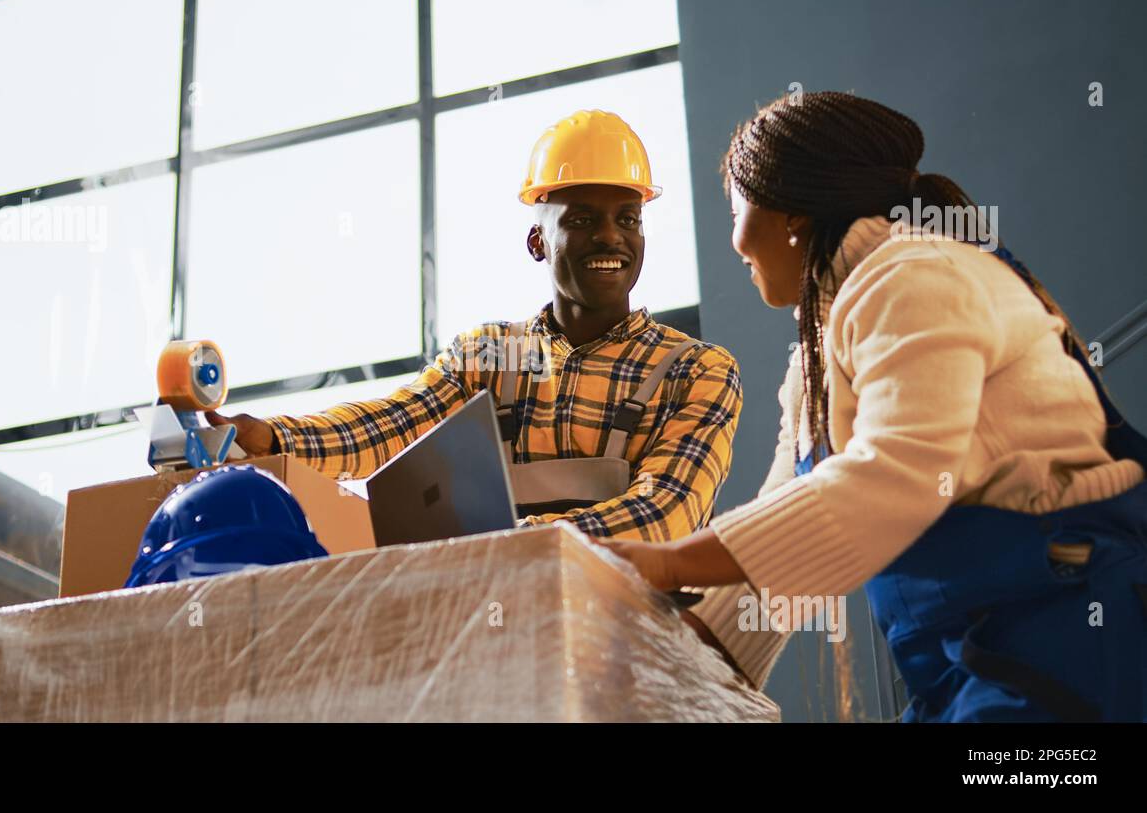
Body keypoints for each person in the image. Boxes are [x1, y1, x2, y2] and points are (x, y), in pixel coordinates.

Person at [602, 92, 1147, 721]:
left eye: (736, 210)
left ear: (791, 208)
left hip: (1066, 639)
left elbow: (896, 475)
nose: (734, 242)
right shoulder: (814, 362)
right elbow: (783, 534)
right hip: (972, 662)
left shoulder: (913, 275)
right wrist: (670, 664)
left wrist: (666, 561)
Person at [209, 110, 742, 541]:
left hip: (623, 647)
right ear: (537, 243)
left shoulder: (694, 372)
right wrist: (273, 438)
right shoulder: (488, 357)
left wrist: (506, 540)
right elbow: (388, 428)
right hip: (500, 621)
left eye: (628, 219)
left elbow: (664, 515)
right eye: (581, 220)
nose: (610, 238)